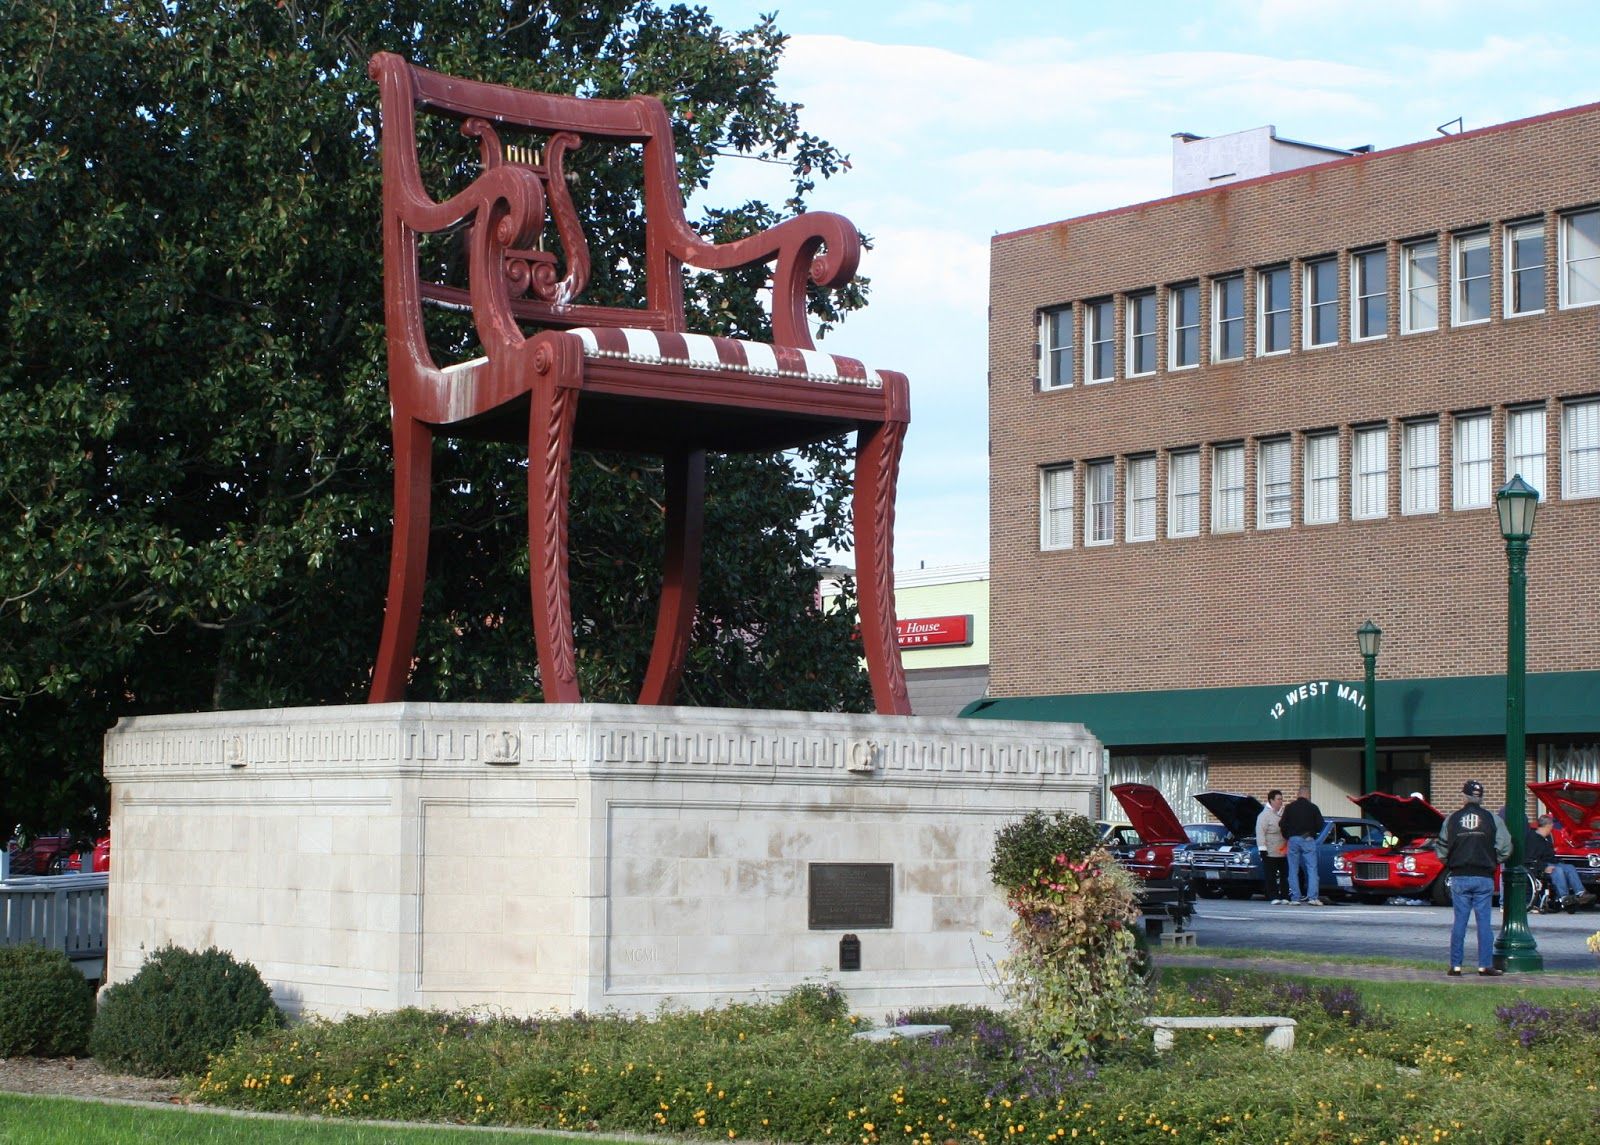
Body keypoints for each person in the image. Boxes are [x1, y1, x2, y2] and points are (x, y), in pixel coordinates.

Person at [1435, 779, 1511, 976]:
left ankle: (1456, 965)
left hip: (1459, 876)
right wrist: (1493, 859)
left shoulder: (1452, 819)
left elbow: (1441, 848)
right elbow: (1505, 847)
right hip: (1483, 876)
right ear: (1481, 798)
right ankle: (1485, 965)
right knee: (1484, 923)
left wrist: (1450, 861)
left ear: (1463, 796)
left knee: (1459, 922)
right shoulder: (1493, 819)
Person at [1526, 814, 1595, 911]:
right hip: (1539, 866)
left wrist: (1560, 862)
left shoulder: (1547, 838)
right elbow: (1530, 859)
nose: (1552, 827)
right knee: (1557, 870)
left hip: (1551, 862)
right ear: (1548, 825)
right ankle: (1564, 897)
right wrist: (1543, 867)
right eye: (1551, 825)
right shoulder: (1533, 839)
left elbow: (1550, 856)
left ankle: (1581, 893)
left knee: (1569, 867)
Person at [1279, 787, 1326, 905]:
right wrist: (1311, 834)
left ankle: (1295, 898)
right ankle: (1313, 897)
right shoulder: (1313, 808)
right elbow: (1320, 825)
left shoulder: (1289, 807)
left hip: (1293, 839)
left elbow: (1282, 824)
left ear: (1298, 794)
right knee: (1312, 869)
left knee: (1293, 869)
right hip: (1307, 838)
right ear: (1308, 795)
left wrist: (1288, 836)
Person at [1256, 789, 1289, 904]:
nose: (1281, 801)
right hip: (1270, 851)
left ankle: (1285, 896)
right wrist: (1262, 850)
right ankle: (1273, 896)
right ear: (1271, 800)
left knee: (1285, 875)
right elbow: (1260, 833)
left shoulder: (1283, 813)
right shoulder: (1264, 815)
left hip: (1283, 851)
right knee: (1271, 875)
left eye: (1281, 799)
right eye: (1278, 799)